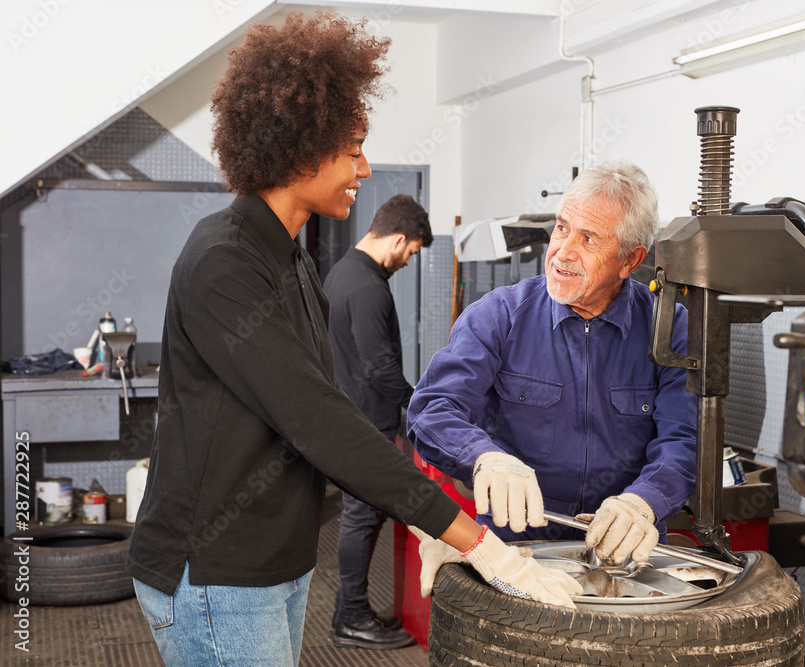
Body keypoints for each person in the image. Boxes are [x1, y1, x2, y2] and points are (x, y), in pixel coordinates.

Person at [125, 12, 580, 667]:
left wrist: (424, 518)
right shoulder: (224, 260)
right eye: (354, 148)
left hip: (274, 562)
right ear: (299, 147)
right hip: (215, 571)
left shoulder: (293, 258)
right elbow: (316, 419)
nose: (364, 168)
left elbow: (328, 410)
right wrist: (474, 539)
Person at [408, 160, 698, 571]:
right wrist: (484, 456)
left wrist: (643, 502)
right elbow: (432, 409)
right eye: (562, 228)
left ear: (630, 260)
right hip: (516, 553)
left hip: (623, 556)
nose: (563, 251)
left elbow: (685, 439)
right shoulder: (499, 316)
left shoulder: (667, 329)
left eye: (588, 238)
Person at [322, 194, 431, 649]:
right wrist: (420, 408)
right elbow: (378, 367)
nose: (407, 262)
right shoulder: (367, 287)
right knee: (362, 517)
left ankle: (351, 611)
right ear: (398, 240)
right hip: (363, 423)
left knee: (366, 515)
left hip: (353, 415)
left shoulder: (343, 272)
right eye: (411, 252)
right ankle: (350, 617)